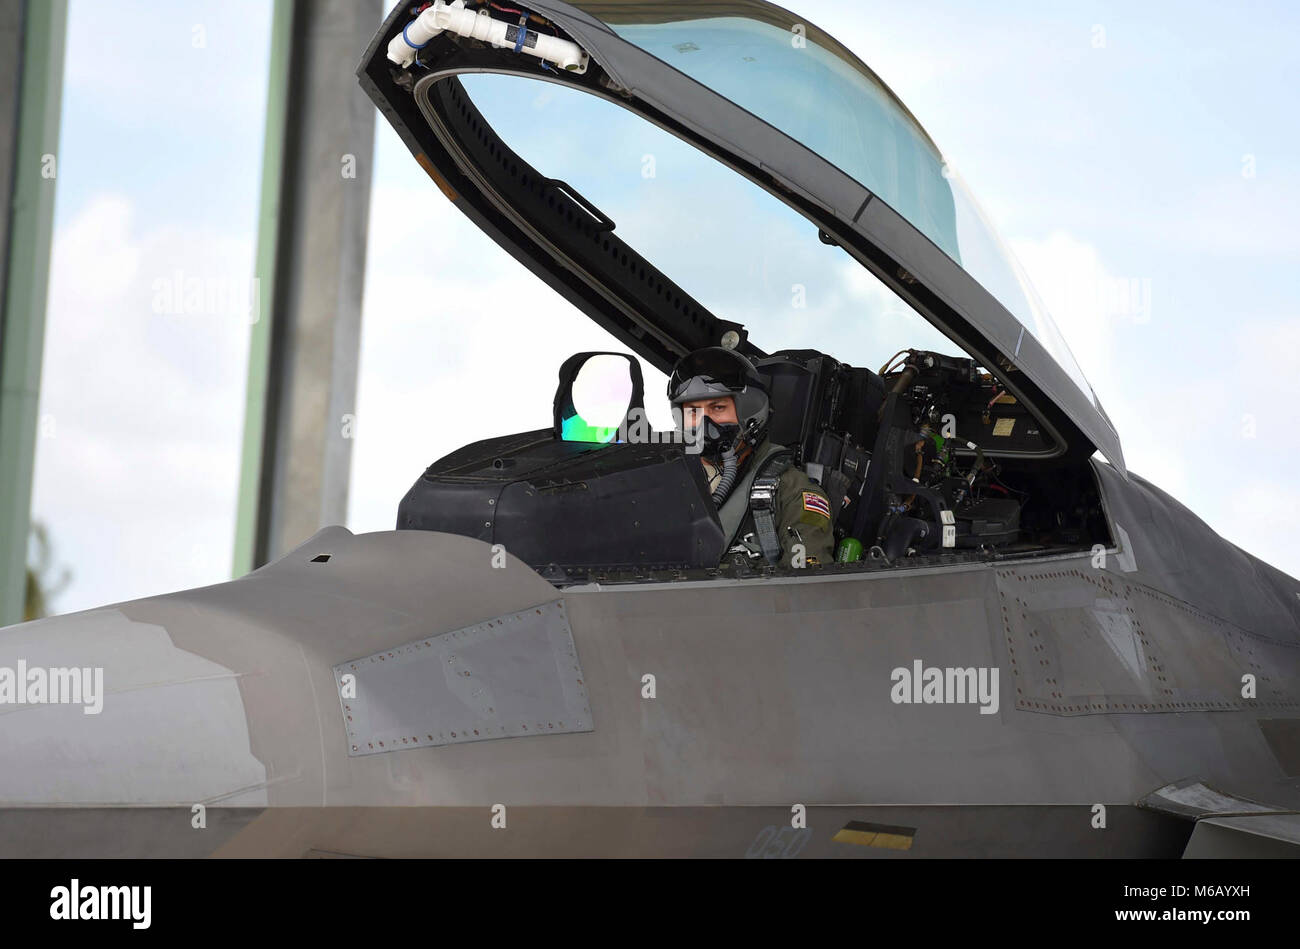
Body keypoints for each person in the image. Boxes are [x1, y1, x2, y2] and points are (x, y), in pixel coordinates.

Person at [667, 347, 835, 568]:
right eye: (692, 411)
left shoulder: (791, 490)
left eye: (717, 407)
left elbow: (807, 586)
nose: (702, 423)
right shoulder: (666, 481)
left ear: (750, 412)